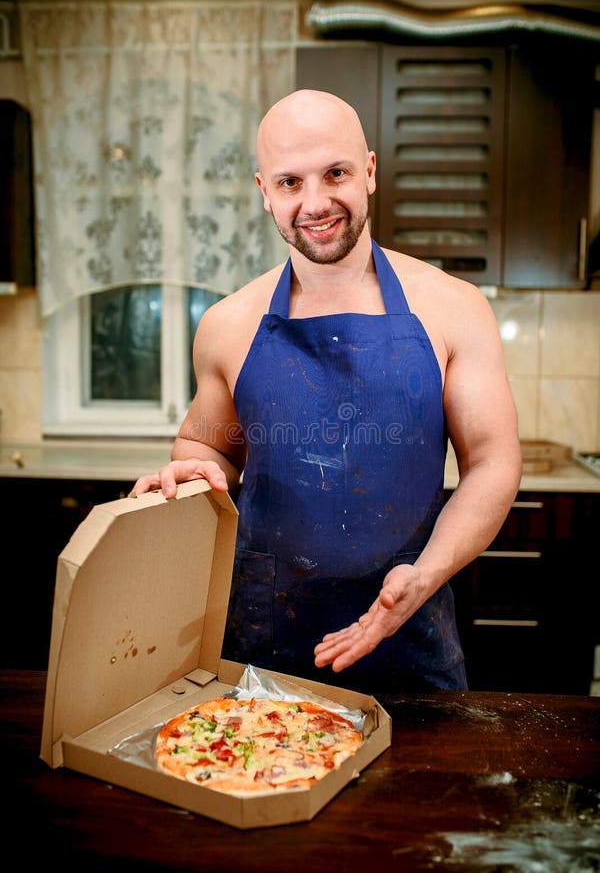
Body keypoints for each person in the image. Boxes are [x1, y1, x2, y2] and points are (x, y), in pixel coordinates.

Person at [132, 89, 522, 695]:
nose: (315, 203)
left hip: (410, 638)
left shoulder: (454, 308)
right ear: (265, 190)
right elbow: (210, 447)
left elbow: (493, 463)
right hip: (260, 649)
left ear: (368, 171)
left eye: (335, 173)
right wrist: (188, 474)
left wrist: (423, 576)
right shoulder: (227, 325)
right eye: (290, 183)